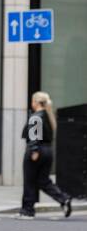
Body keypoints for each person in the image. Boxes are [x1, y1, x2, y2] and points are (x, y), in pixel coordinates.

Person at [19, 91, 72, 219]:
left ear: (36, 102)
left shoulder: (36, 116)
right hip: (48, 150)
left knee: (29, 181)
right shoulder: (49, 116)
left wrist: (34, 150)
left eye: (32, 101)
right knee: (43, 181)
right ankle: (63, 199)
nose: (31, 104)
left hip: (37, 150)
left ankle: (27, 211)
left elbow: (34, 136)